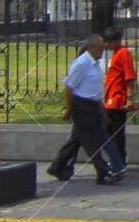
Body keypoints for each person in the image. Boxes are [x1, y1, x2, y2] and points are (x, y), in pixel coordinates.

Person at [48, 34, 124, 185]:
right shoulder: (81, 64)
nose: (103, 51)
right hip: (81, 107)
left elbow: (95, 90)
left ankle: (57, 167)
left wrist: (102, 111)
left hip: (93, 107)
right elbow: (69, 87)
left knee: (75, 140)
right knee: (91, 142)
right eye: (101, 48)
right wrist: (69, 109)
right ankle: (103, 172)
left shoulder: (95, 64)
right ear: (93, 48)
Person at [101, 26, 137, 169]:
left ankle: (119, 160)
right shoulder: (116, 53)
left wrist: (129, 98)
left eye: (108, 42)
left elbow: (129, 77)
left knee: (116, 133)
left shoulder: (123, 53)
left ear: (116, 41)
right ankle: (117, 159)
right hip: (110, 99)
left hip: (117, 100)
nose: (106, 45)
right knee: (109, 132)